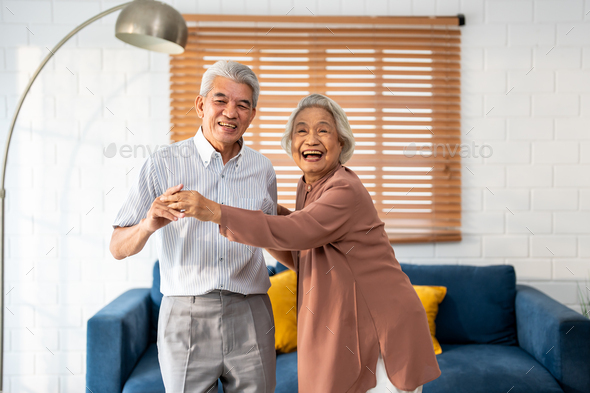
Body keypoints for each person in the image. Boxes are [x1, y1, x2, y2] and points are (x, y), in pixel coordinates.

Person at [159, 93, 441, 392]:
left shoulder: (344, 188)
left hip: (381, 323)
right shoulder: (308, 187)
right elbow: (302, 252)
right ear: (290, 144)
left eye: (323, 130)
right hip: (349, 319)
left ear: (341, 143)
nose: (311, 138)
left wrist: (216, 211)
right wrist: (257, 212)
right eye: (302, 131)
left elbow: (296, 230)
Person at [109, 60, 277, 393]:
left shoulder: (263, 169)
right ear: (201, 105)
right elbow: (117, 247)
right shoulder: (163, 162)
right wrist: (147, 225)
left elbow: (270, 234)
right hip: (186, 314)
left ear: (252, 114)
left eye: (242, 104)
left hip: (251, 312)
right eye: (220, 100)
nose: (231, 112)